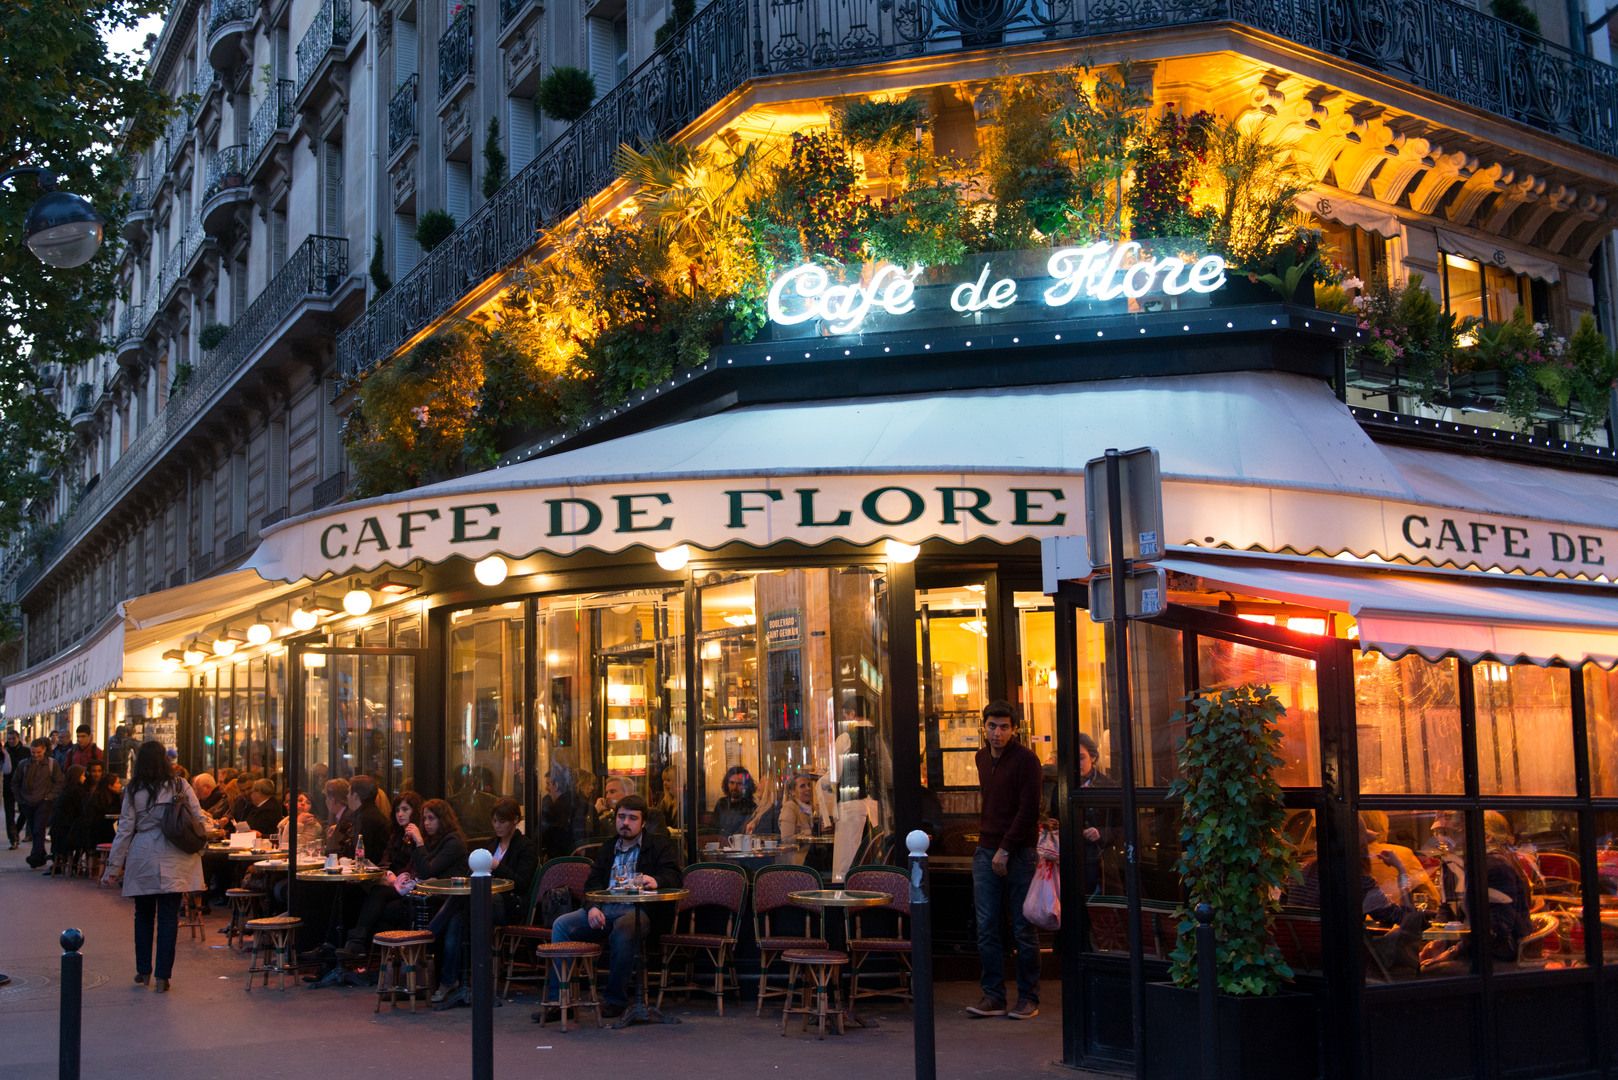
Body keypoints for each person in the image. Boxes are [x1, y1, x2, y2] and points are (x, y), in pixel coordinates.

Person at [538, 795, 682, 1022]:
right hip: (604, 908)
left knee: (625, 929)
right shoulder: (607, 847)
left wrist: (657, 880)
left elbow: (675, 876)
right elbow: (592, 885)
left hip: (638, 910)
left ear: (643, 822)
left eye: (632, 818)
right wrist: (593, 907)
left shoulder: (658, 846)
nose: (625, 823)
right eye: (621, 817)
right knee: (561, 924)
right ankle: (560, 1000)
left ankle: (615, 1000)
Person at [102, 740, 206, 992]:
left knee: (143, 915)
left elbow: (125, 829)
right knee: (169, 917)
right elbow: (199, 818)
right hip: (176, 854)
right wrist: (200, 848)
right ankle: (163, 976)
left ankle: (143, 970)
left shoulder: (133, 789)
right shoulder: (180, 785)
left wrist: (113, 867)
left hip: (143, 853)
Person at [967, 700, 1043, 1021]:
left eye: (1003, 727)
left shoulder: (1027, 761)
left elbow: (1028, 811)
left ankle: (1028, 997)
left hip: (1018, 852)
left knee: (1023, 926)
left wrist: (1006, 848)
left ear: (1014, 729)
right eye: (991, 726)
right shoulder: (981, 757)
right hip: (986, 850)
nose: (997, 733)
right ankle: (993, 996)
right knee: (986, 926)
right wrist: (990, 848)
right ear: (983, 728)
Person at [338, 791, 427, 957]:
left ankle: (357, 942)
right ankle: (341, 944)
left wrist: (391, 877)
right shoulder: (397, 835)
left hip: (407, 886)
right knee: (350, 890)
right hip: (391, 881)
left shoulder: (419, 836)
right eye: (397, 810)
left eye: (405, 809)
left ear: (415, 811)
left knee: (377, 893)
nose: (400, 814)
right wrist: (383, 873)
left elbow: (416, 867)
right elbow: (386, 861)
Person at [481, 797, 537, 925]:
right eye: (494, 821)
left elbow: (522, 884)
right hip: (489, 895)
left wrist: (498, 866)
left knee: (481, 900)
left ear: (515, 820)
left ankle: (474, 943)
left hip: (511, 902)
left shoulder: (526, 847)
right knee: (461, 899)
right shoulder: (490, 844)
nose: (497, 826)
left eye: (502, 821)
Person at [16, 737, 64, 869]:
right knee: (34, 829)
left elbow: (59, 782)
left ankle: (36, 856)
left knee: (38, 829)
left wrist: (50, 796)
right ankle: (40, 854)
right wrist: (20, 799)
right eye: (33, 752)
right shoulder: (24, 765)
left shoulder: (51, 764)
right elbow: (15, 783)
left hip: (44, 802)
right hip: (27, 802)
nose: (36, 755)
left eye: (38, 752)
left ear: (44, 751)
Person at [49, 765, 89, 876]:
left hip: (60, 830)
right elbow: (80, 811)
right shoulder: (78, 791)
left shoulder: (65, 790)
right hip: (69, 831)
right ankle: (76, 865)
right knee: (89, 839)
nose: (85, 778)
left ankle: (70, 864)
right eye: (83, 776)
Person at [346, 775, 391, 863]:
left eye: (348, 792)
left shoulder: (365, 819)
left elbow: (363, 855)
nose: (347, 796)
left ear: (355, 796)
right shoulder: (371, 814)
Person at [540, 762, 576, 859]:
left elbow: (541, 839)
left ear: (555, 785)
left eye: (548, 784)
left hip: (558, 863)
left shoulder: (552, 810)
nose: (546, 788)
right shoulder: (583, 804)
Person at [710, 766, 756, 836]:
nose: (735, 787)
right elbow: (714, 829)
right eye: (732, 783)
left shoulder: (751, 807)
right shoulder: (721, 803)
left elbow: (744, 832)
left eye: (739, 784)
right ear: (727, 783)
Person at [3, 728, 25, 849]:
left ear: (18, 738)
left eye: (13, 738)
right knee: (9, 813)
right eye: (9, 739)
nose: (11, 741)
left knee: (25, 811)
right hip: (8, 786)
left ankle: (16, 830)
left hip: (22, 786)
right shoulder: (3, 752)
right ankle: (13, 838)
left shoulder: (25, 751)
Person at [322, 778, 353, 856]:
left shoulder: (347, 818)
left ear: (332, 799)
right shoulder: (344, 815)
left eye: (326, 797)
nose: (325, 801)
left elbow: (337, 849)